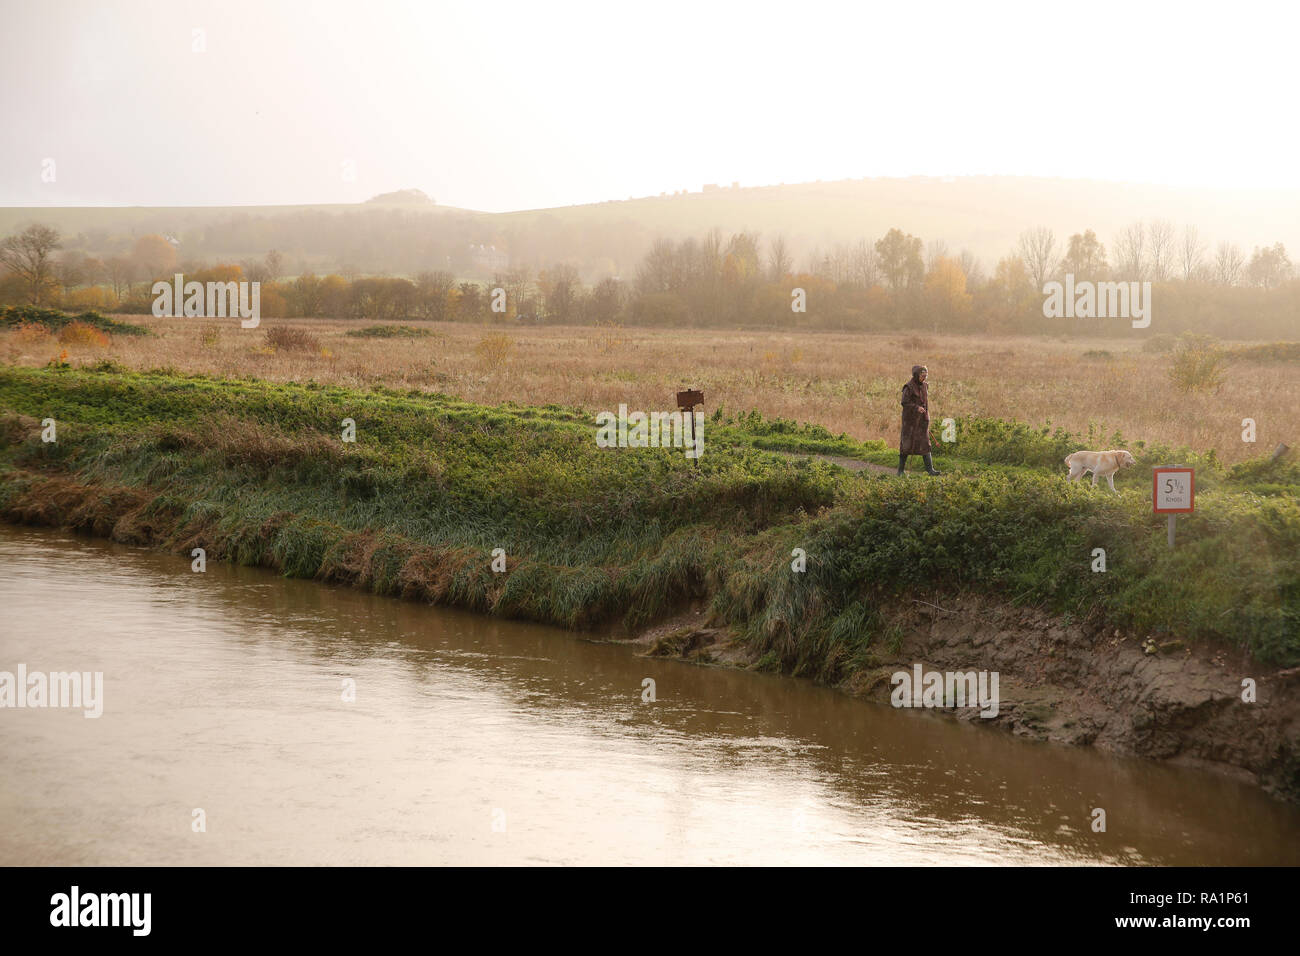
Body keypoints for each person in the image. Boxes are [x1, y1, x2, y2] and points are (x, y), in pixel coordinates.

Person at [898, 364, 940, 476]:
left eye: (926, 376)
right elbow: (904, 402)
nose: (924, 378)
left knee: (925, 443)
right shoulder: (908, 387)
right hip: (910, 422)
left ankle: (930, 470)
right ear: (916, 375)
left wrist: (924, 414)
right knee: (906, 445)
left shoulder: (925, 386)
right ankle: (900, 471)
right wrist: (916, 408)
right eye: (922, 376)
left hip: (922, 421)